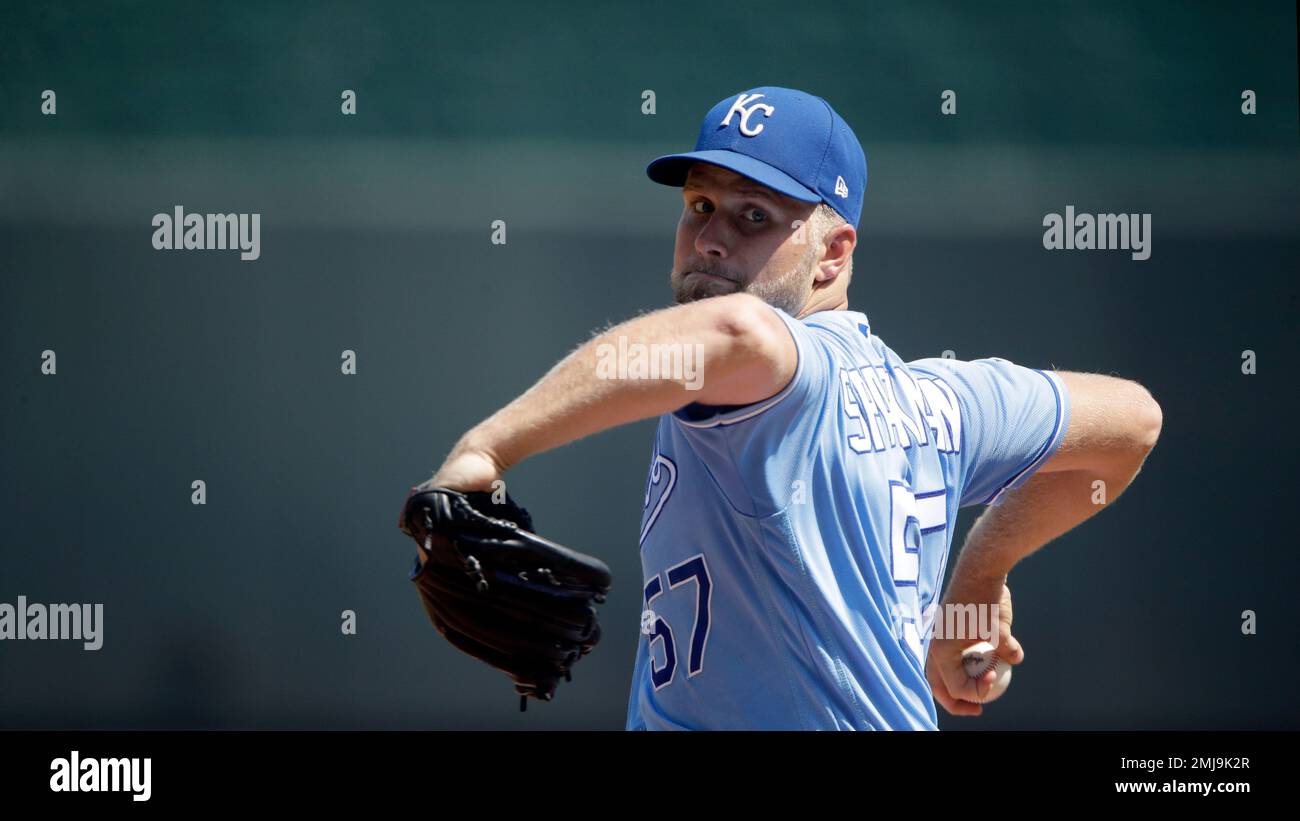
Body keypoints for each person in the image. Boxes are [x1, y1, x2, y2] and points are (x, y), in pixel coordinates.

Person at [426, 86, 1162, 729]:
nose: (711, 239)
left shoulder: (779, 373)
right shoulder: (944, 399)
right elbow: (1132, 420)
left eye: (754, 215)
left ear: (834, 252)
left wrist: (488, 447)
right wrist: (981, 577)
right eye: (701, 205)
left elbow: (736, 334)